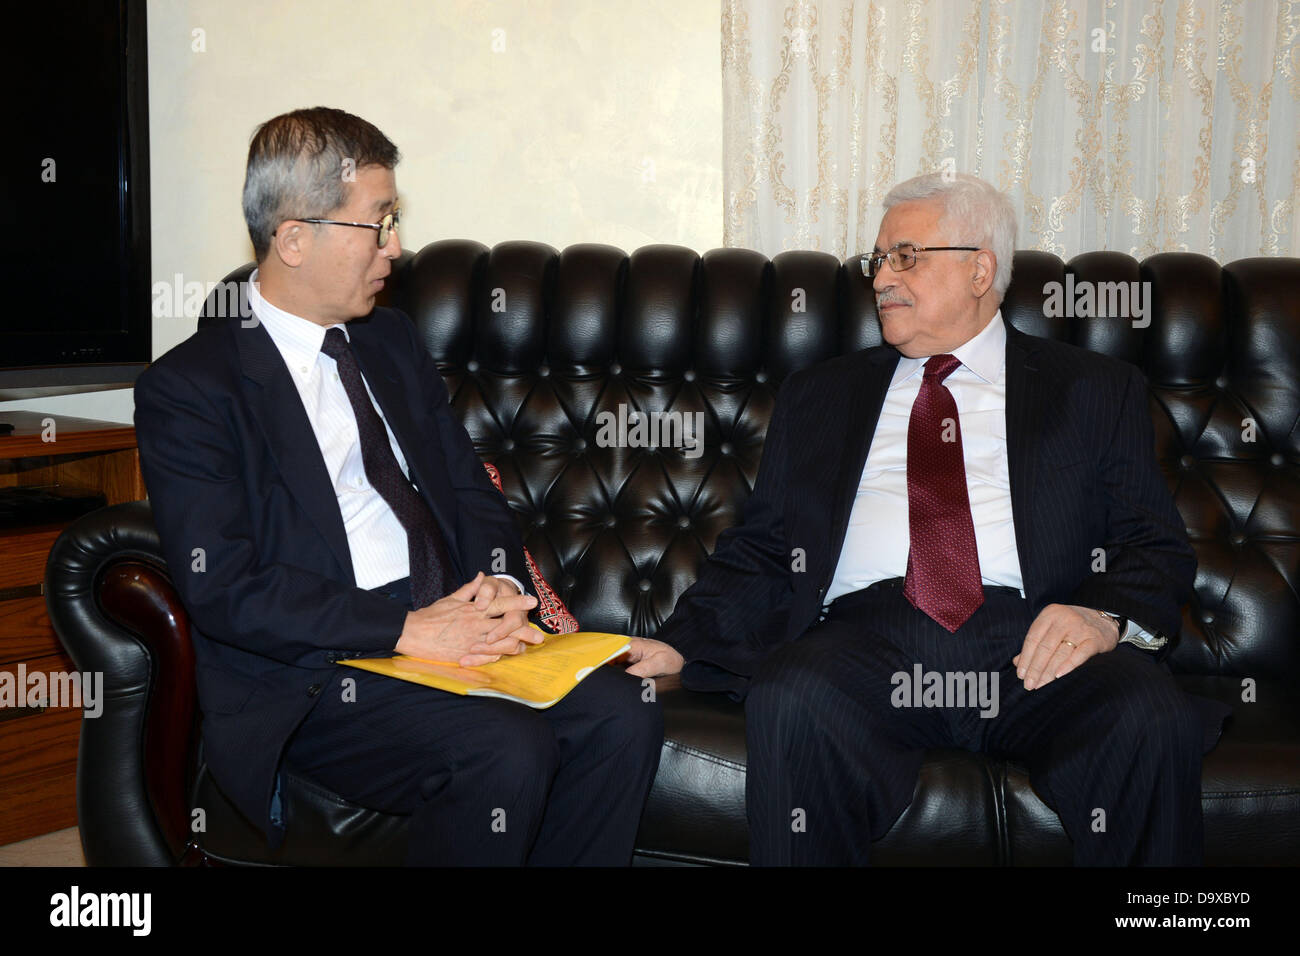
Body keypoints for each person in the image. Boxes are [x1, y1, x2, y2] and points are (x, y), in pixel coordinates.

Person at [623, 171, 1232, 865]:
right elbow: (764, 548)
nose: (882, 278)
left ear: (980, 270)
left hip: (1035, 644)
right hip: (864, 643)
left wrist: (1100, 616)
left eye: (906, 256)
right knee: (789, 697)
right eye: (877, 260)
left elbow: (1153, 544)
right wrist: (683, 644)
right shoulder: (819, 395)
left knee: (1148, 717)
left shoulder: (1093, 389)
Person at [134, 107, 662, 865]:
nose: (396, 247)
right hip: (321, 668)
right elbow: (226, 587)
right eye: (377, 223)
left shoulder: (389, 339)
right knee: (503, 746)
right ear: (294, 239)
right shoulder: (192, 388)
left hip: (445, 622)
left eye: (394, 220)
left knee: (623, 713)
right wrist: (406, 631)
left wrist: (496, 588)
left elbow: (466, 490)